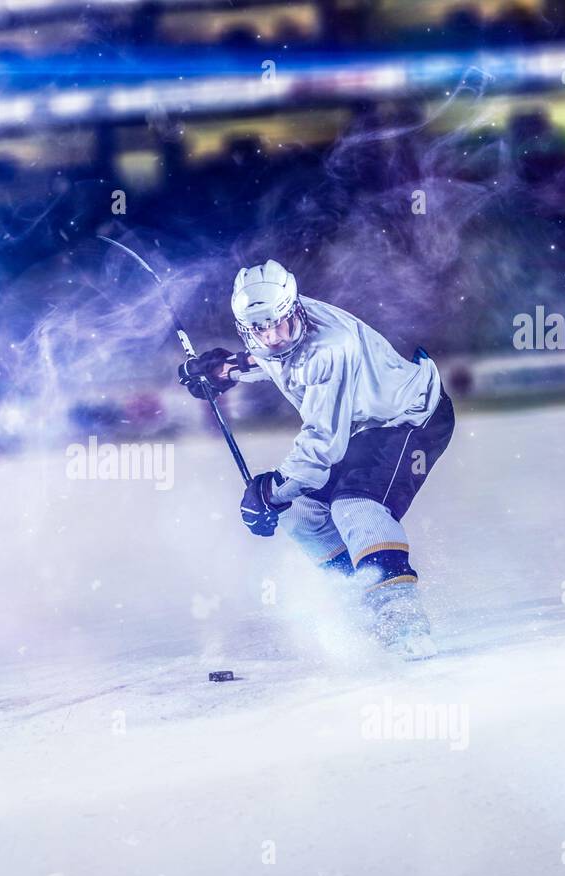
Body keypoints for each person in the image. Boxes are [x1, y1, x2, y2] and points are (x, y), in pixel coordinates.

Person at [178, 260, 454, 659]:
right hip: (363, 428)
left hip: (411, 418)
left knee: (355, 505)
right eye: (258, 329)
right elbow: (271, 357)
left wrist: (270, 491)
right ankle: (360, 596)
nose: (272, 336)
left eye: (278, 324)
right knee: (299, 511)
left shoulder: (330, 347)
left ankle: (402, 618)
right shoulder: (280, 325)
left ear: (294, 309)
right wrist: (226, 370)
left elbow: (323, 445)